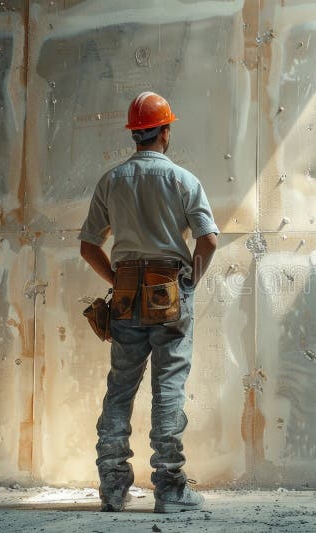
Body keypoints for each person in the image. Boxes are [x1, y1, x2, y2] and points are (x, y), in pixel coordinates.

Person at [78, 91, 219, 513]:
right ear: (166, 131)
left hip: (125, 294)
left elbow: (88, 245)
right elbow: (208, 240)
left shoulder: (111, 180)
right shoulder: (183, 180)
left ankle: (114, 488)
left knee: (120, 388)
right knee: (168, 388)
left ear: (135, 134)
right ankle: (171, 490)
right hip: (168, 292)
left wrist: (118, 278)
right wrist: (190, 280)